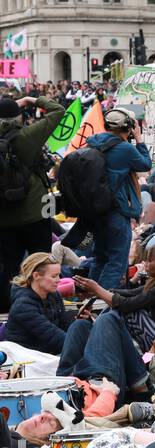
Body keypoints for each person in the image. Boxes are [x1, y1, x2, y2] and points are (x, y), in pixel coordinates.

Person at [0, 94, 65, 313]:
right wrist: (31, 99)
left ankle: (7, 309)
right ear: (18, 117)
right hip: (36, 212)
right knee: (41, 262)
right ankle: (43, 305)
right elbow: (58, 110)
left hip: (4, 218)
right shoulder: (28, 136)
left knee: (8, 266)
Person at [79, 109, 154, 290]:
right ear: (128, 127)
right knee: (117, 261)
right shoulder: (125, 148)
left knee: (100, 257)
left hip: (95, 210)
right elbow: (146, 164)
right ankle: (102, 303)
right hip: (115, 211)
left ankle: (90, 299)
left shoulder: (92, 143)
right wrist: (139, 138)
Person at [6, 251, 75, 355]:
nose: (58, 280)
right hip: (27, 358)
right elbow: (53, 336)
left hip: (47, 352)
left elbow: (63, 325)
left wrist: (79, 321)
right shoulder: (23, 305)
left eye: (59, 276)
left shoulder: (54, 295)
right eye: (54, 276)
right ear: (36, 275)